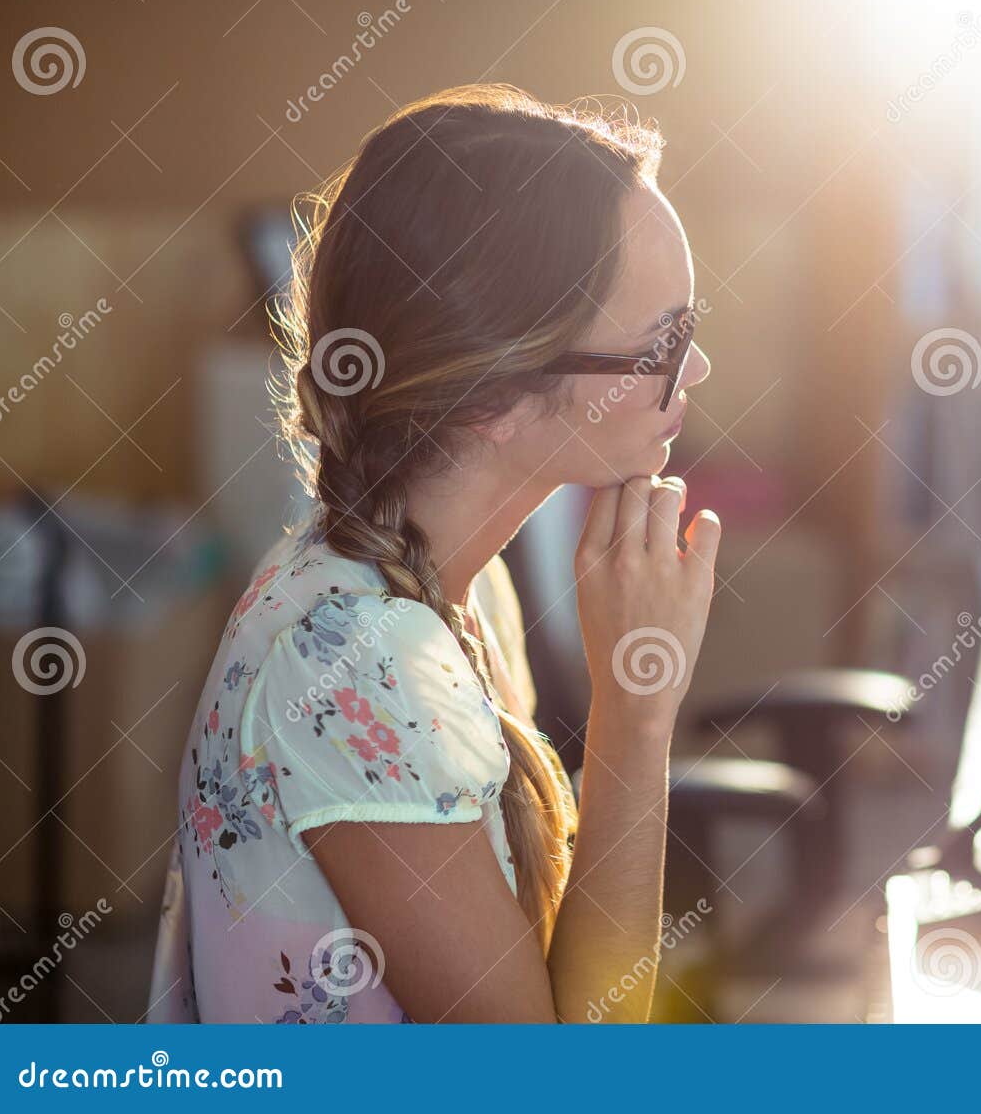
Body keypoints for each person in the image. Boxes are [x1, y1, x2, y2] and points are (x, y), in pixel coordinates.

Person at [147, 83, 719, 1022]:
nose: (693, 369)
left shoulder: (458, 592)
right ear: (492, 397)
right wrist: (637, 714)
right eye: (665, 341)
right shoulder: (358, 668)